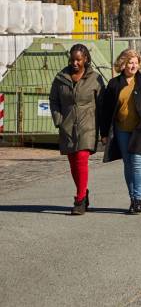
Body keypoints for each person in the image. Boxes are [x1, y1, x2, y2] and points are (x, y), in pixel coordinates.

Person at [99, 48, 141, 214]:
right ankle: (132, 198)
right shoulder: (114, 84)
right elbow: (106, 111)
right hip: (121, 129)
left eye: (136, 62)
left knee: (137, 161)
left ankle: (139, 199)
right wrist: (104, 133)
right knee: (128, 164)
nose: (133, 66)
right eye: (130, 62)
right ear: (123, 64)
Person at [49, 43, 105, 215]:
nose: (75, 63)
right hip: (67, 125)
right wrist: (59, 120)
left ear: (85, 59)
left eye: (78, 60)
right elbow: (53, 100)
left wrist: (103, 131)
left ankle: (79, 199)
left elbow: (102, 104)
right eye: (72, 59)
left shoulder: (95, 78)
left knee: (81, 157)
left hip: (88, 125)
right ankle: (84, 191)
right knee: (73, 162)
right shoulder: (60, 78)